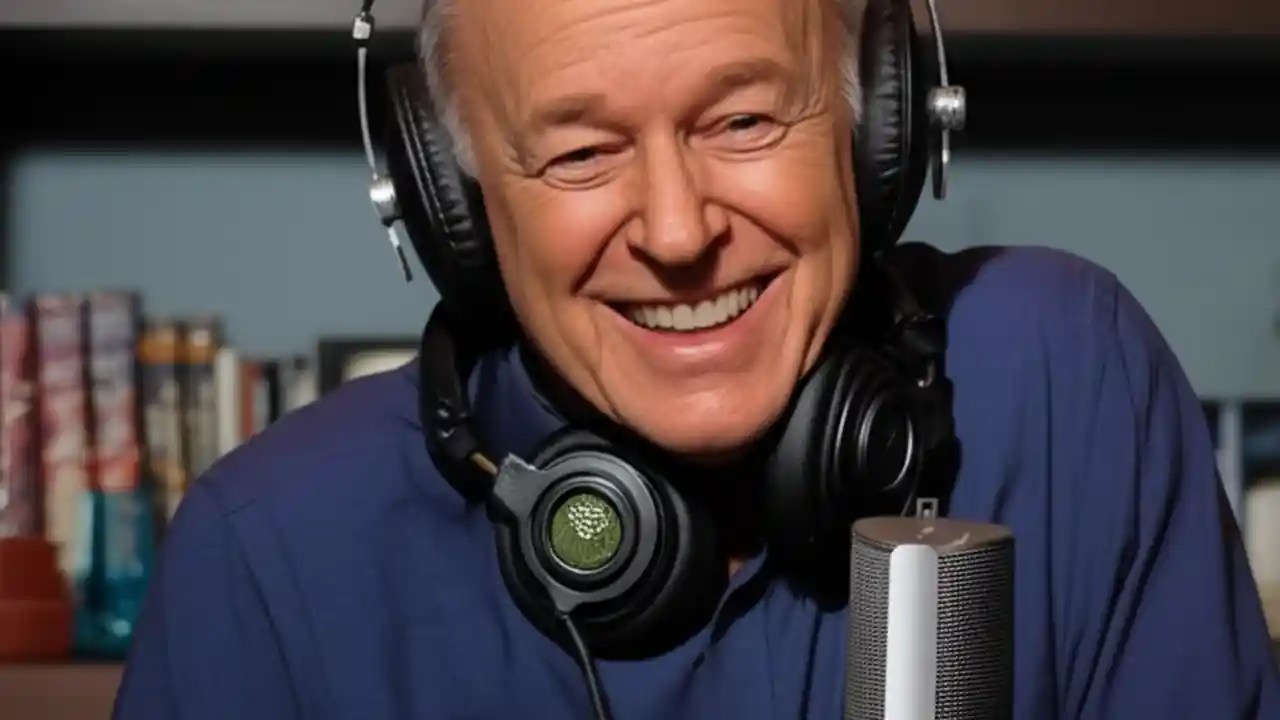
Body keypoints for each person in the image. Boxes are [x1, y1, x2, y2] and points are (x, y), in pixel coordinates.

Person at [113, 0, 1280, 717]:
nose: (677, 234)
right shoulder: (269, 553)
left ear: (873, 129)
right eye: (578, 151)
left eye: (742, 121)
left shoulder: (1063, 378)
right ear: (451, 205)